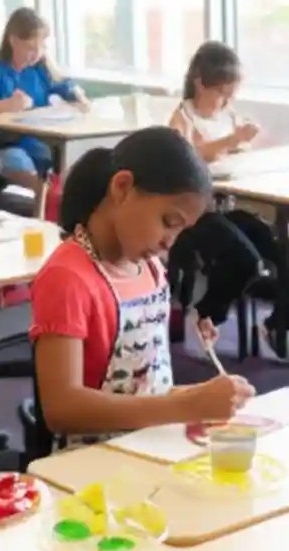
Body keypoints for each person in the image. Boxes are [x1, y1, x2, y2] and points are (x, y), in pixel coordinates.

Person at [30, 127, 256, 441]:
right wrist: (185, 405)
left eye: (180, 232)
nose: (169, 243)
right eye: (168, 222)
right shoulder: (68, 277)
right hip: (91, 465)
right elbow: (62, 409)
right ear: (122, 188)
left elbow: (146, 390)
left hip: (146, 445)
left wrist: (202, 398)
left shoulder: (150, 269)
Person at [167, 41, 285, 346]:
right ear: (200, 83)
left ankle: (278, 323)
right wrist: (231, 140)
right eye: (221, 92)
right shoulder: (184, 117)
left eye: (231, 93)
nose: (226, 100)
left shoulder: (229, 116)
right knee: (244, 259)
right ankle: (207, 314)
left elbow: (239, 154)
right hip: (196, 214)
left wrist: (244, 143)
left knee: (288, 252)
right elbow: (187, 158)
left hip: (229, 203)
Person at [0, 7, 89, 193]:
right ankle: (44, 198)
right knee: (18, 163)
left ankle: (53, 200)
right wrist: (9, 105)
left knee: (72, 162)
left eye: (42, 48)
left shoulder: (41, 70)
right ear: (13, 41)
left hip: (39, 142)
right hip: (5, 144)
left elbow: (67, 87)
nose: (37, 54)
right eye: (31, 48)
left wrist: (78, 96)